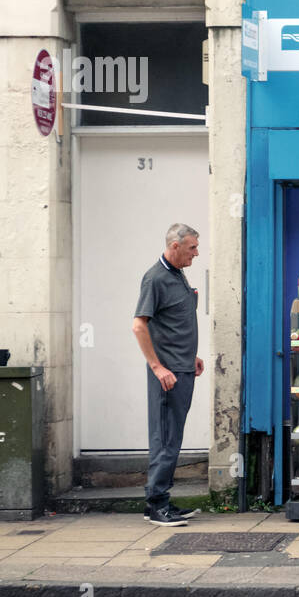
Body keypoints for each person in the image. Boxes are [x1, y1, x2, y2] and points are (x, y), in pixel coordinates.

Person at [132, 224, 205, 527]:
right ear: (175, 246)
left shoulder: (177, 274)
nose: (196, 253)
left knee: (173, 438)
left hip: (183, 368)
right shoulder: (155, 278)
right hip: (168, 375)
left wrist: (191, 356)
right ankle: (155, 505)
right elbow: (139, 325)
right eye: (191, 248)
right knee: (164, 439)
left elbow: (173, 322)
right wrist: (158, 367)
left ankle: (163, 500)